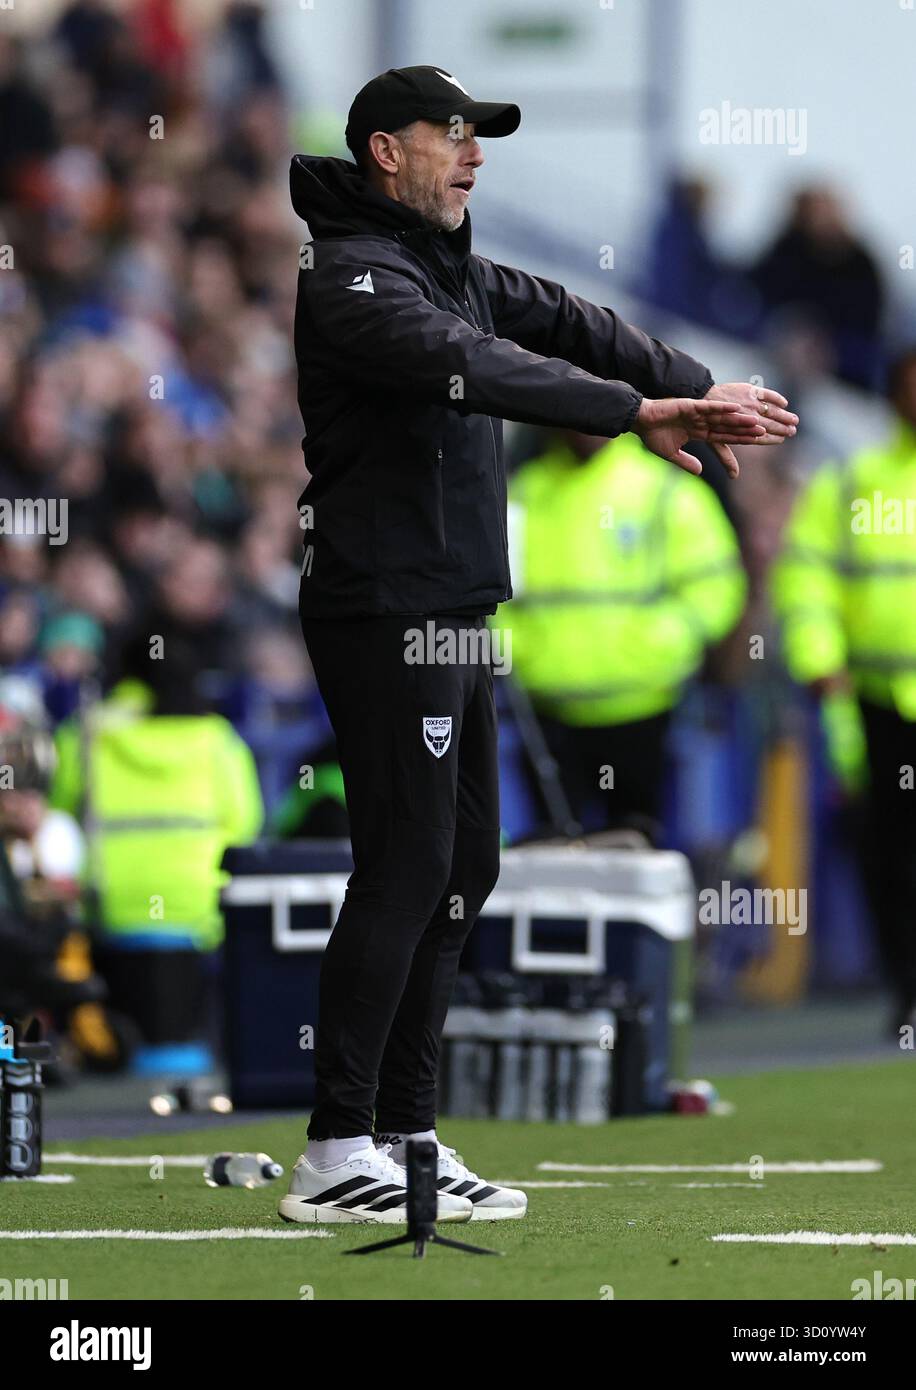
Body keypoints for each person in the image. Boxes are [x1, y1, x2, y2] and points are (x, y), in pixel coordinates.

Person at [281, 65, 798, 1227]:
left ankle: (406, 1132)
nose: (472, 152)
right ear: (383, 151)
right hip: (385, 606)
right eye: (449, 133)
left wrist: (695, 386)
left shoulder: (443, 265)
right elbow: (481, 370)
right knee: (408, 864)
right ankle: (334, 1147)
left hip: (451, 602)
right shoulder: (353, 275)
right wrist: (633, 414)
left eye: (479, 134)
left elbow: (569, 319)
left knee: (464, 871)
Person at [499, 429, 746, 841]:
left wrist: (662, 643)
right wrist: (520, 652)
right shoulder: (524, 494)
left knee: (640, 847)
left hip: (646, 711)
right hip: (546, 714)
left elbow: (717, 585)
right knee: (553, 857)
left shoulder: (664, 490)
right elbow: (498, 595)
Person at [772, 346, 916, 1034]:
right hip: (875, 701)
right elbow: (807, 579)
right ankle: (906, 988)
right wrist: (821, 661)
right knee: (888, 852)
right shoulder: (856, 483)